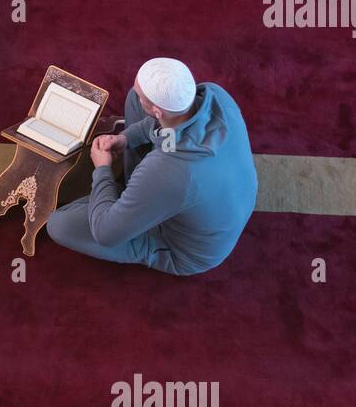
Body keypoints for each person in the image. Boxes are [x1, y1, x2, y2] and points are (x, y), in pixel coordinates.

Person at [46, 58, 257, 275]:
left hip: (185, 251)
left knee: (59, 225)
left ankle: (129, 204)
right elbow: (172, 125)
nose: (138, 95)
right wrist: (126, 138)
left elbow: (105, 234)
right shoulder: (217, 95)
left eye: (143, 95)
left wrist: (102, 169)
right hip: (205, 192)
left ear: (158, 112)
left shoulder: (168, 171)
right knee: (134, 102)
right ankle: (134, 197)